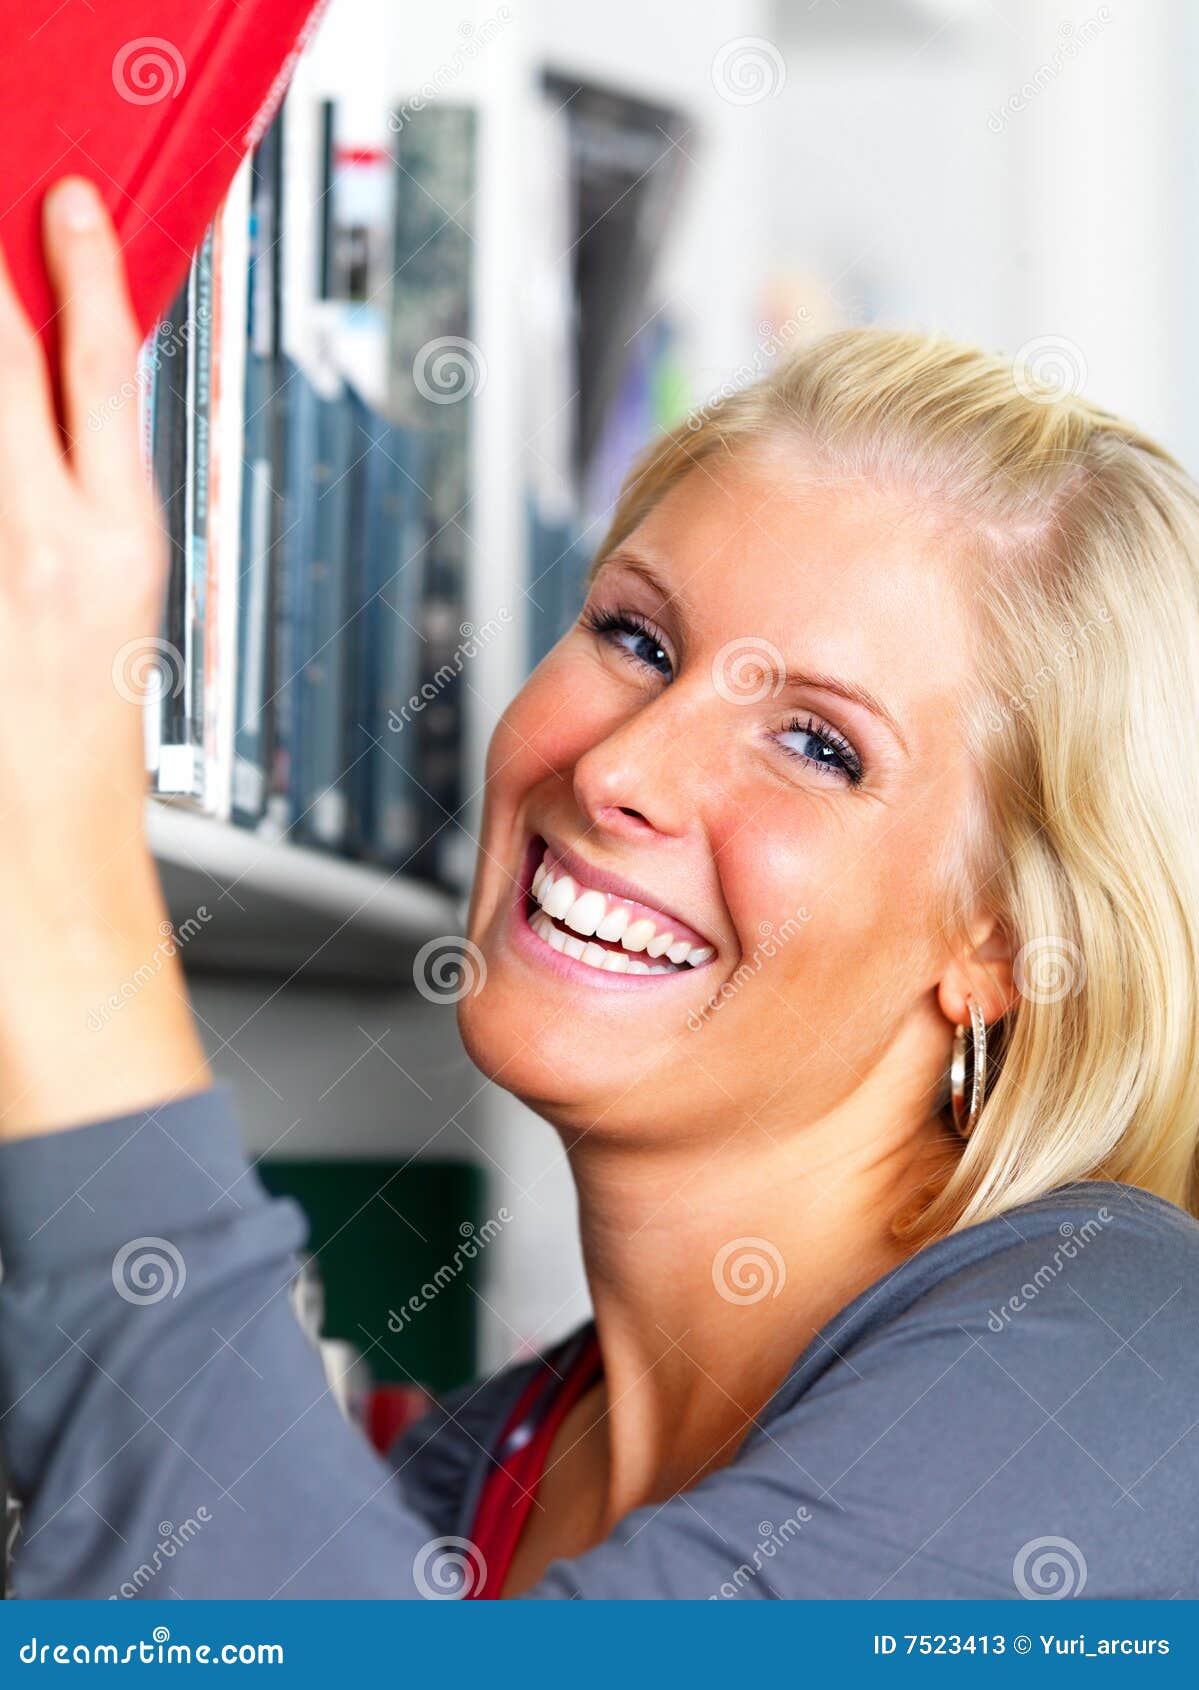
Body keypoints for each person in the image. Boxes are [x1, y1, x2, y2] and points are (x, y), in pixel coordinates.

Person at [0, 175, 1197, 1602]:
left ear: (1002, 945)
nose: (625, 767)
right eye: (636, 638)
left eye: (817, 744)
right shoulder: (448, 1484)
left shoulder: (1137, 1355)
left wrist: (57, 880)